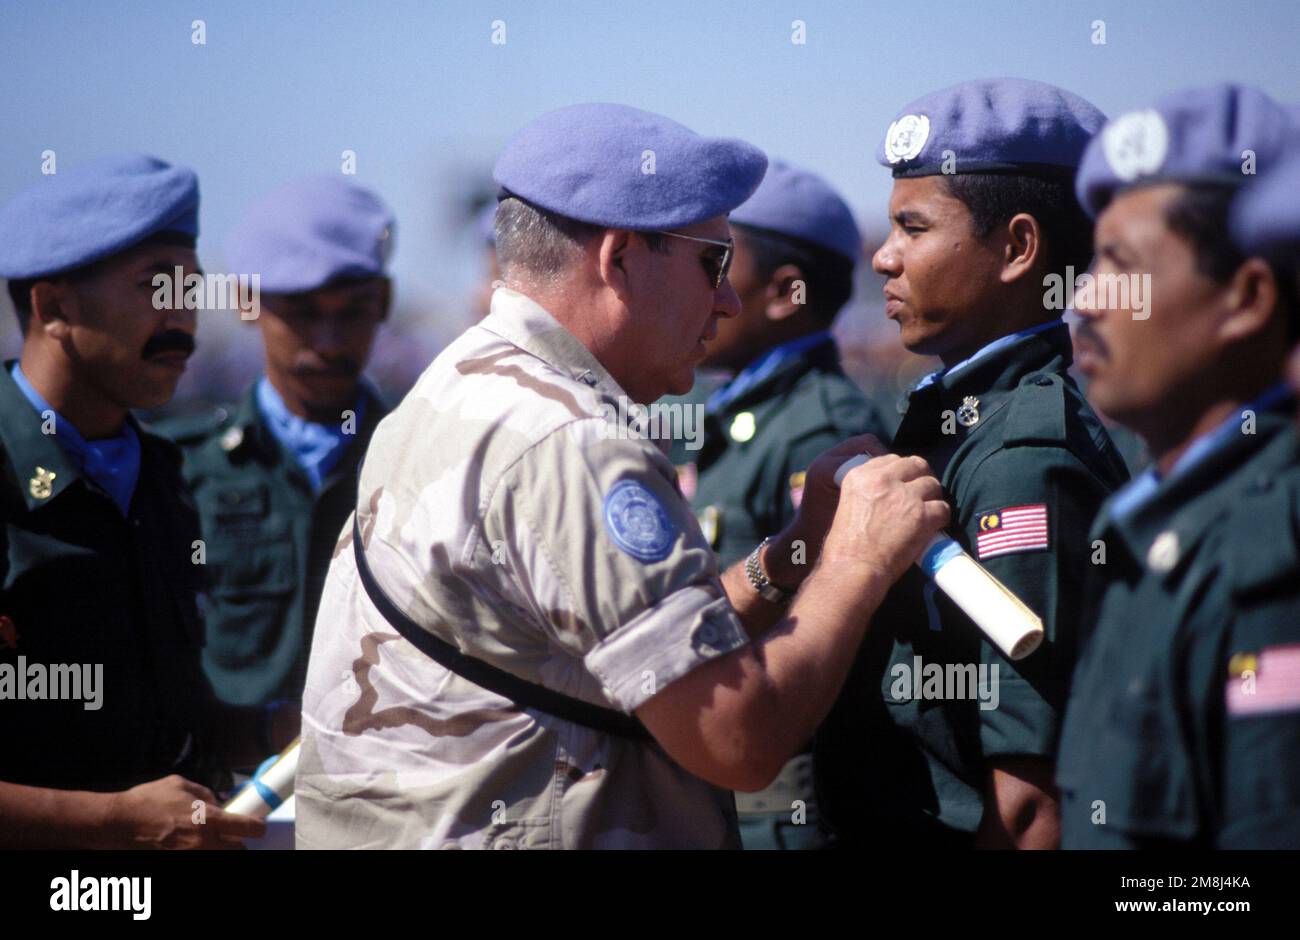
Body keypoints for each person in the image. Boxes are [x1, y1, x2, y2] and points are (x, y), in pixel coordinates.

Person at [296, 103, 950, 849]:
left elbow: (636, 647)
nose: (727, 299)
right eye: (713, 262)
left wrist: (791, 554)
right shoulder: (574, 444)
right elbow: (738, 738)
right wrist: (857, 561)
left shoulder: (460, 380)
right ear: (619, 260)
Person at [813, 78, 1130, 849]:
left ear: (1018, 248)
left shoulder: (1024, 457)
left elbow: (1030, 807)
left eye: (912, 229)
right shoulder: (959, 419)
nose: (884, 259)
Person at [0, 153, 270, 848]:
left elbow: (157, 709)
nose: (185, 320)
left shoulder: (157, 473)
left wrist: (291, 726)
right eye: (159, 289)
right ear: (55, 308)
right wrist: (114, 824)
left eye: (192, 290)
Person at [1057, 85, 1300, 848]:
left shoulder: (1269, 558)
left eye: (1120, 267)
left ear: (1246, 297)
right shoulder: (1161, 524)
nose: (1084, 302)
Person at [666, 159, 886, 848]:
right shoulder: (728, 411)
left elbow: (818, 629)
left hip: (779, 806)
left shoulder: (821, 427)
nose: (704, 291)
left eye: (720, 265)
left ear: (786, 291)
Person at [158, 177, 393, 735]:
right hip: (230, 803)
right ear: (246, 301)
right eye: (304, 313)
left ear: (385, 302)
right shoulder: (178, 469)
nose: (331, 341)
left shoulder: (424, 462)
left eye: (354, 311)